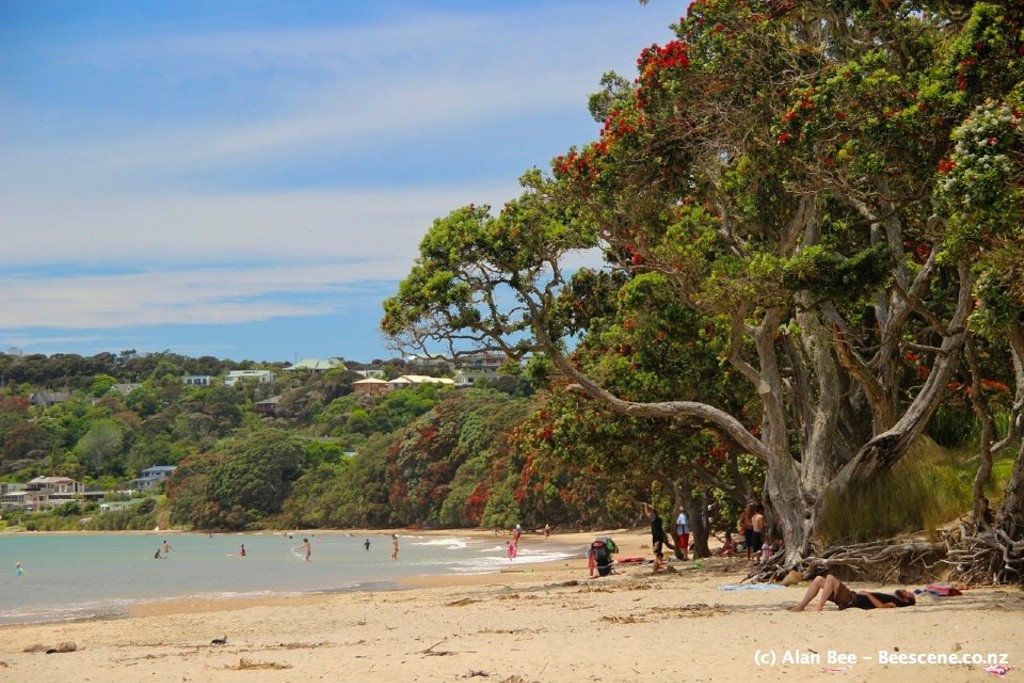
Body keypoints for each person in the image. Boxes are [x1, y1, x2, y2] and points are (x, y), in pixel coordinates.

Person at [788, 575, 916, 612]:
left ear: (906, 600)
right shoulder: (893, 597)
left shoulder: (894, 603)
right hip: (850, 599)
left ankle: (819, 606)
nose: (905, 591)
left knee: (830, 578)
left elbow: (881, 607)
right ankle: (801, 606)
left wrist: (868, 594)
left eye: (908, 594)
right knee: (818, 580)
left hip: (853, 600)